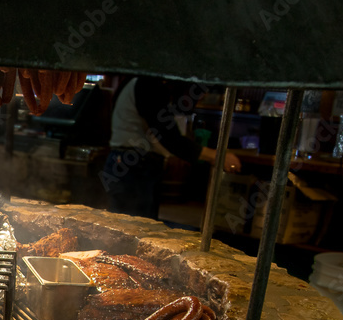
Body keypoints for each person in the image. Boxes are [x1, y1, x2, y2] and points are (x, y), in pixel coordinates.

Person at [101, 77, 241, 219]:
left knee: (128, 224)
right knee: (135, 226)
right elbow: (167, 135)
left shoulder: (135, 80)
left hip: (124, 161)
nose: (203, 96)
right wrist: (215, 156)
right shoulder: (148, 84)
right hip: (134, 166)